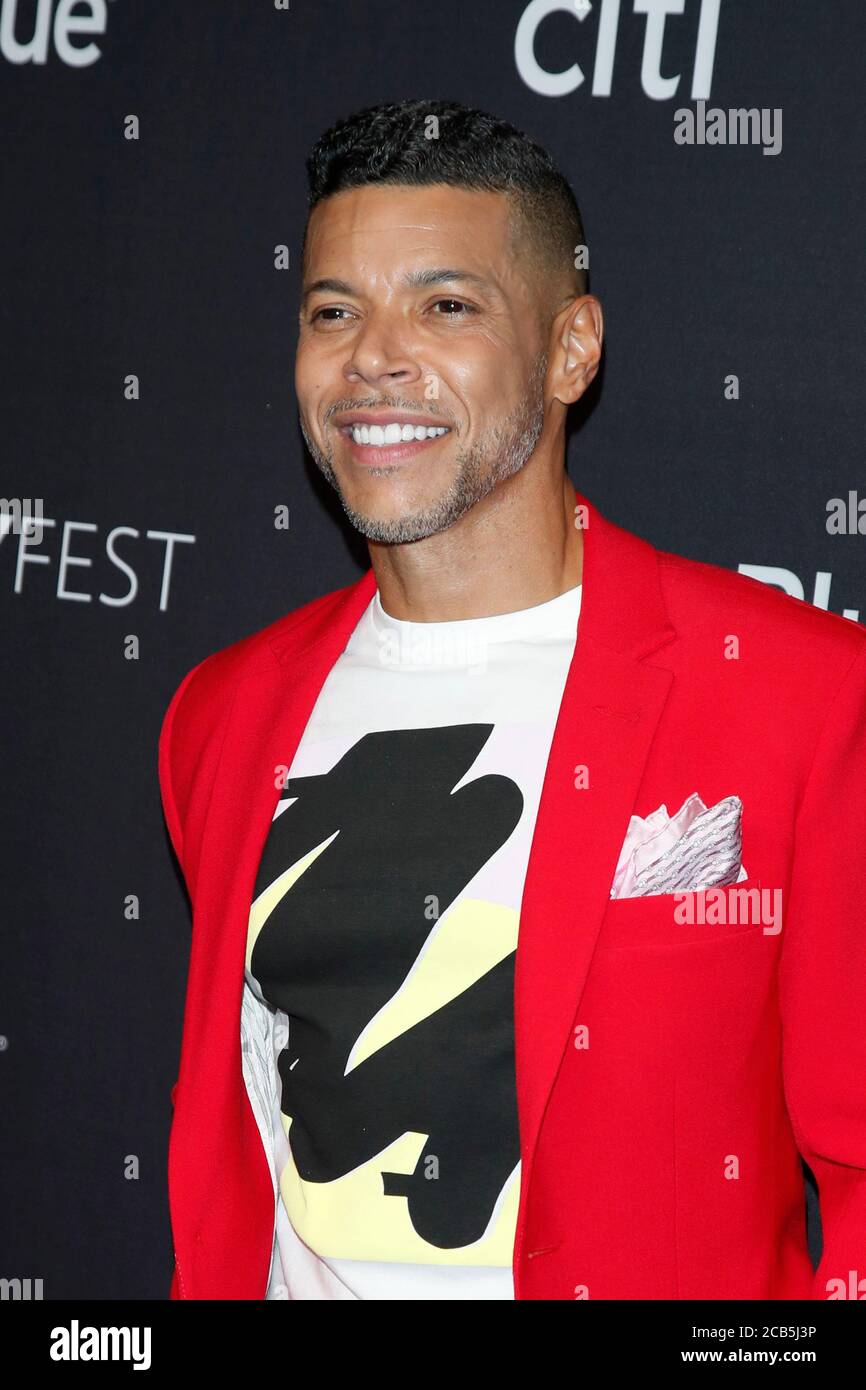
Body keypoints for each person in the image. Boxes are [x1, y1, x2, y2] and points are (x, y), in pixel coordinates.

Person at [160, 98, 866, 1300]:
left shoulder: (799, 692)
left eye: (445, 306)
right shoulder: (220, 714)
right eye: (333, 310)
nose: (372, 356)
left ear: (568, 348)